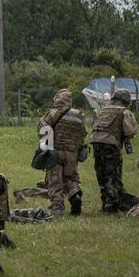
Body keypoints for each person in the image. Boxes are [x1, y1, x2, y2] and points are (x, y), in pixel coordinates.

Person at [90, 88, 139, 212]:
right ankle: (112, 205)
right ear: (126, 101)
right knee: (113, 175)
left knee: (101, 174)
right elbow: (130, 131)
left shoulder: (103, 110)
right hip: (111, 145)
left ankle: (105, 202)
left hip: (96, 143)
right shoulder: (124, 111)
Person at [40, 89, 87, 217]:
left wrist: (45, 149)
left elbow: (43, 130)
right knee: (70, 178)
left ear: (57, 99)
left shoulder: (52, 113)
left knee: (55, 180)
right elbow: (83, 133)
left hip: (55, 152)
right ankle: (75, 195)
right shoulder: (79, 115)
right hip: (72, 153)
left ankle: (57, 209)